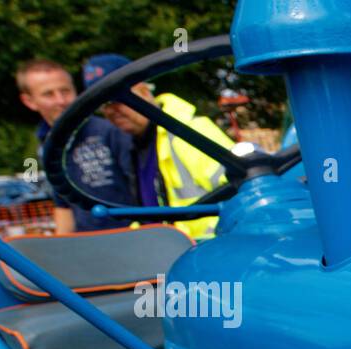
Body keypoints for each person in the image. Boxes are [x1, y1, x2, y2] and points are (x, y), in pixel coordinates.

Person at [83, 53, 235, 240]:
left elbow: (240, 194)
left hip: (208, 253)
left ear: (143, 90)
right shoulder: (136, 145)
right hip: (170, 254)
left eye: (116, 99)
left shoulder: (190, 133)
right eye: (102, 105)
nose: (111, 111)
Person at [15, 58, 137, 233]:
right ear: (29, 101)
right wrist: (61, 249)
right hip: (85, 245)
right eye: (48, 94)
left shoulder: (110, 131)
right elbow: (63, 205)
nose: (61, 101)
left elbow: (143, 193)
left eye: (65, 91)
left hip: (131, 237)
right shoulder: (45, 146)